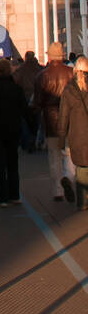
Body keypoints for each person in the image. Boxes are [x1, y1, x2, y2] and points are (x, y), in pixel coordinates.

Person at [0, 58, 33, 205]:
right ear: (9, 70)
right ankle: (14, 195)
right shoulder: (16, 89)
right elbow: (25, 110)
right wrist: (31, 129)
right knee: (12, 164)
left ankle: (2, 198)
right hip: (12, 130)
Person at [36, 42, 75, 202]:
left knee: (54, 156)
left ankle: (58, 190)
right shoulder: (72, 73)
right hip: (70, 119)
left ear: (49, 56)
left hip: (51, 120)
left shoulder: (42, 76)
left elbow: (38, 101)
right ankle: (68, 177)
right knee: (69, 154)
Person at [59, 56, 88, 210]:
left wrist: (61, 138)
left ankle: (82, 200)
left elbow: (63, 116)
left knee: (78, 167)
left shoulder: (69, 89)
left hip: (75, 134)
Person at [13, 50, 42, 151]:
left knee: (25, 121)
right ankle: (34, 140)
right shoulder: (39, 69)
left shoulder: (21, 69)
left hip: (24, 97)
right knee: (36, 120)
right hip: (37, 96)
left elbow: (15, 81)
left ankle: (27, 141)